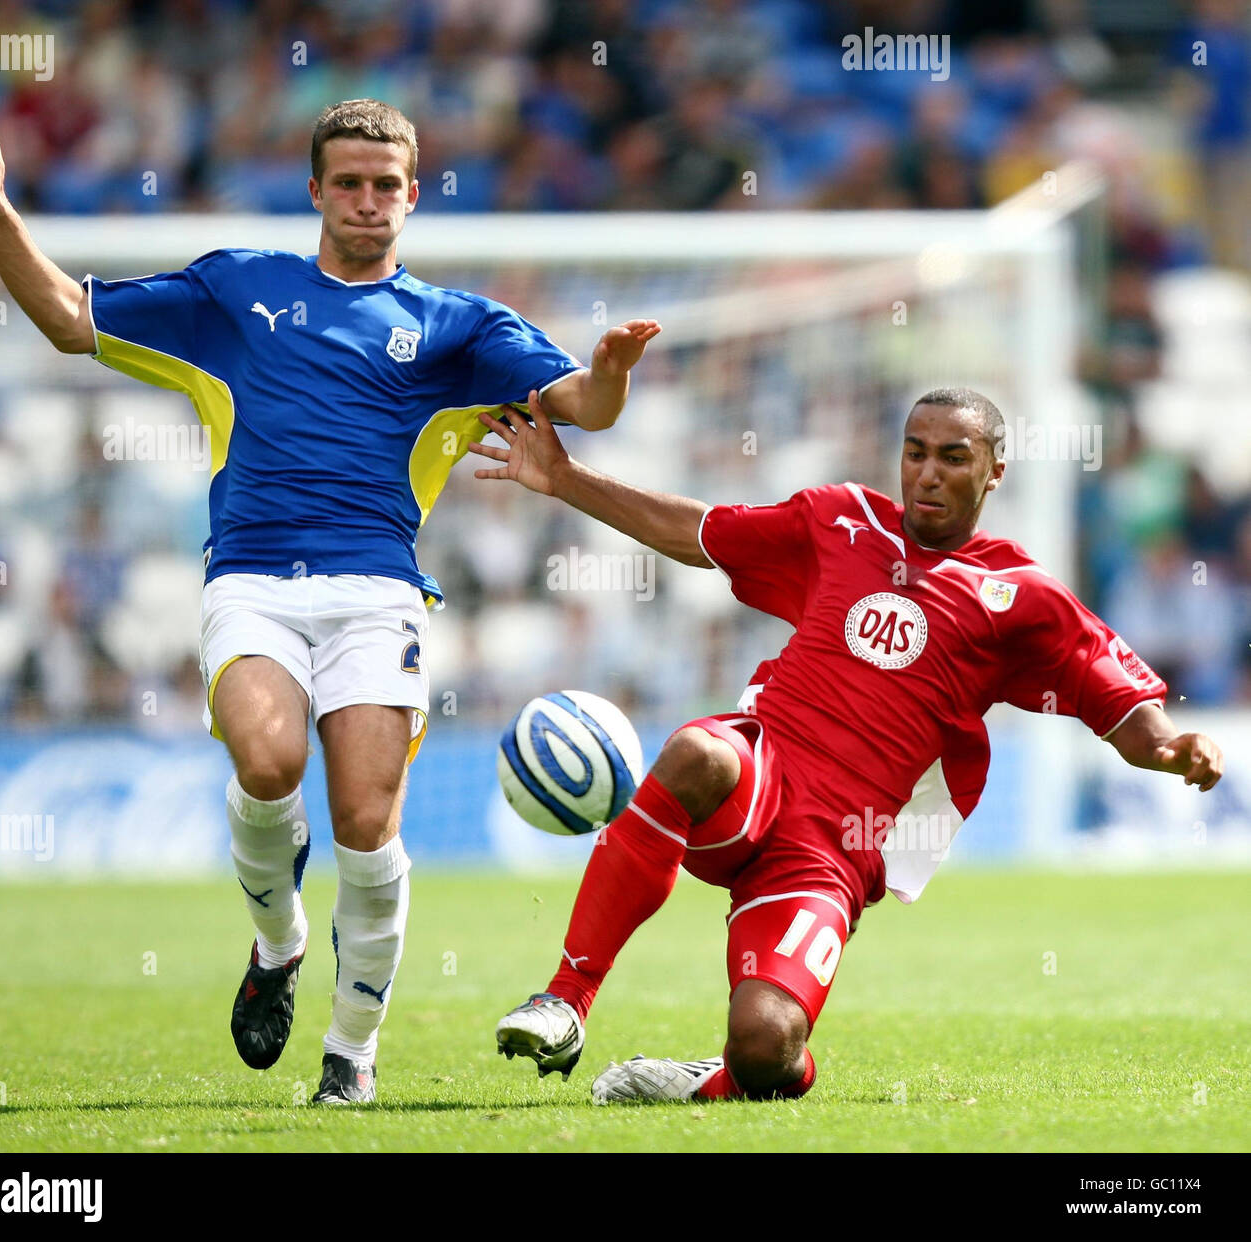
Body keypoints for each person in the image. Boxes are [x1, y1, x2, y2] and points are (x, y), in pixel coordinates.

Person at [0, 98, 660, 1104]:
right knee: (268, 759)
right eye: (350, 184)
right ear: (317, 190)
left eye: (387, 187)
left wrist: (610, 372)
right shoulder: (238, 291)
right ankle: (279, 946)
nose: (369, 202)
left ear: (413, 197)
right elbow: (71, 319)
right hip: (251, 580)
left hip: (379, 594)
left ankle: (351, 1054)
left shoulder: (459, 328)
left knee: (367, 826)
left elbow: (582, 407)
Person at [471, 385, 1224, 1104]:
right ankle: (566, 1000)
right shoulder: (841, 521)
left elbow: (1122, 710)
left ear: (995, 472)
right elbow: (699, 534)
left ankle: (725, 1078)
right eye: (915, 451)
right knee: (696, 754)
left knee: (766, 1044)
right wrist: (565, 478)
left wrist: (1173, 747)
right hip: (759, 769)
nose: (928, 473)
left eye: (953, 457)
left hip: (836, 848)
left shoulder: (1021, 598)